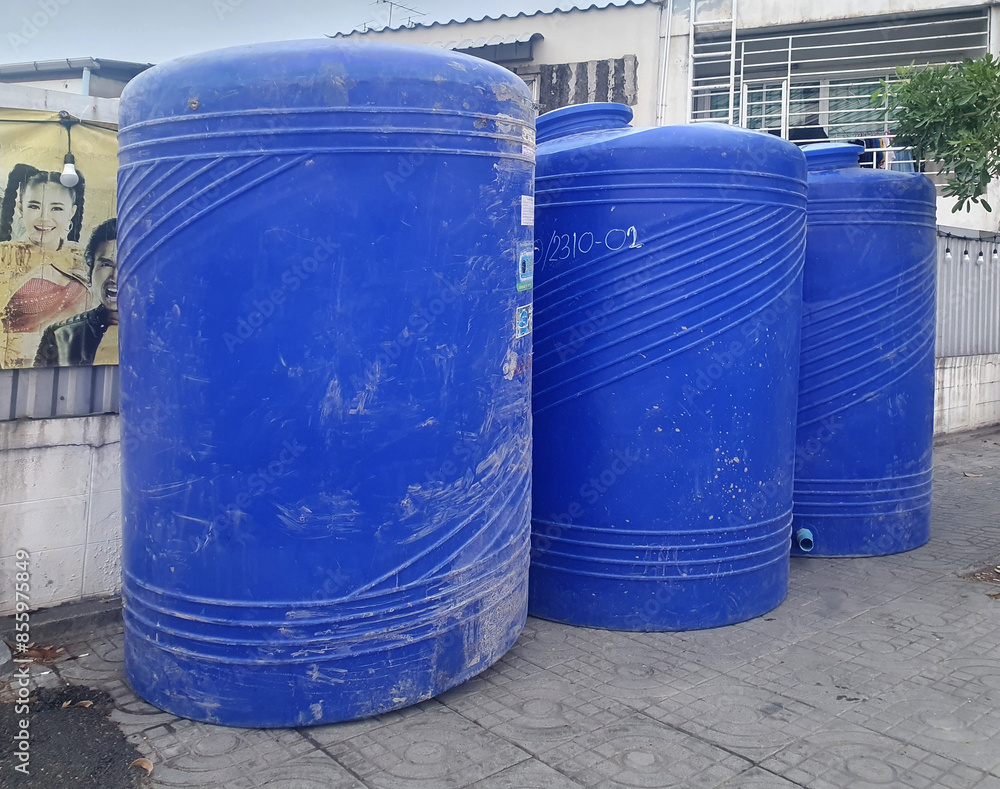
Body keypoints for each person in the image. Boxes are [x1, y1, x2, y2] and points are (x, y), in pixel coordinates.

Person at [0, 164, 90, 367]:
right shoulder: (5, 256)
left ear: (71, 212)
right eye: (34, 206)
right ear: (20, 208)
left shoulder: (84, 258)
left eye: (56, 208)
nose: (44, 218)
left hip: (71, 367)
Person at [34, 218, 117, 367]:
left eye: (127, 266)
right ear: (89, 272)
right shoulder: (61, 336)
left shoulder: (160, 333)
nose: (115, 277)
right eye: (106, 264)